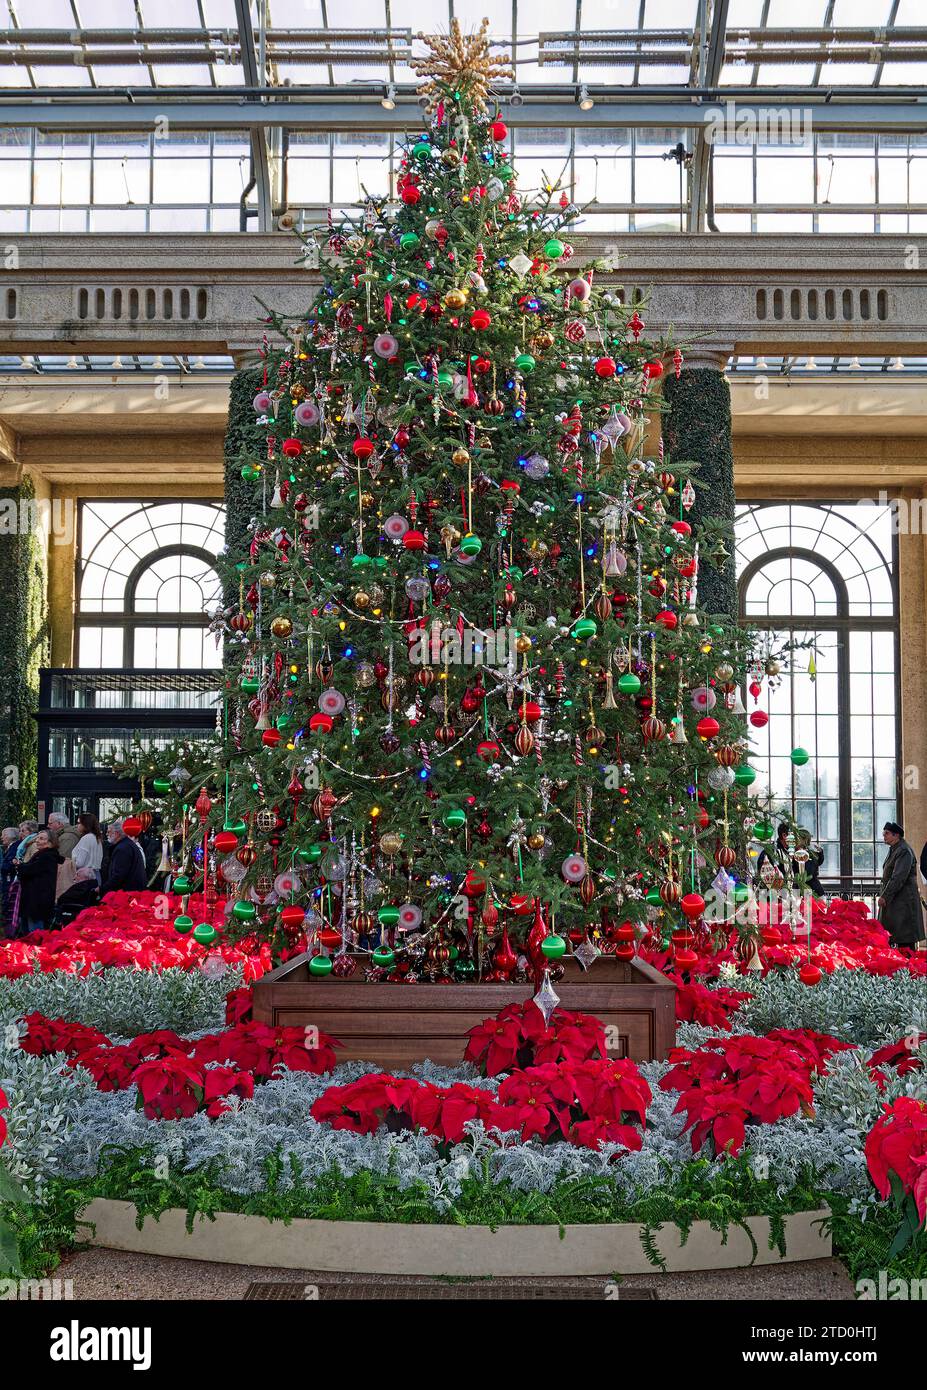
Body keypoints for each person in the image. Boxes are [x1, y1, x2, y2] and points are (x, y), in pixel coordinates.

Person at [878, 822, 925, 951]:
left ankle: (908, 969)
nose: (884, 836)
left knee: (905, 939)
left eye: (887, 833)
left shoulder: (903, 850)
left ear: (896, 835)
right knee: (896, 938)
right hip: (897, 901)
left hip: (903, 902)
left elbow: (898, 877)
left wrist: (885, 896)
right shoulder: (895, 848)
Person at [16, 828, 63, 933]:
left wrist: (20, 866)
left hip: (37, 900)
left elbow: (30, 870)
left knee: (35, 933)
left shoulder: (47, 856)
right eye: (37, 838)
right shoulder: (41, 855)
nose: (37, 841)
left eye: (41, 839)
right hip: (33, 899)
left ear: (50, 843)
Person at [99, 819, 147, 897]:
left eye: (109, 831)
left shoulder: (123, 848)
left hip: (127, 893)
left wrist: (103, 889)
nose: (107, 834)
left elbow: (118, 875)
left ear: (117, 833)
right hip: (132, 891)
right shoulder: (126, 845)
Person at [71, 812, 104, 887]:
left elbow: (80, 863)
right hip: (96, 874)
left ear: (86, 824)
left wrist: (70, 862)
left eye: (79, 823)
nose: (77, 826)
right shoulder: (96, 838)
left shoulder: (86, 838)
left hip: (85, 876)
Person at [794, 828, 825, 896]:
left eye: (797, 838)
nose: (795, 841)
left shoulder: (810, 853)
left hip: (812, 887)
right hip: (799, 888)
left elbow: (818, 863)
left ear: (804, 840)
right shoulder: (793, 853)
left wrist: (820, 853)